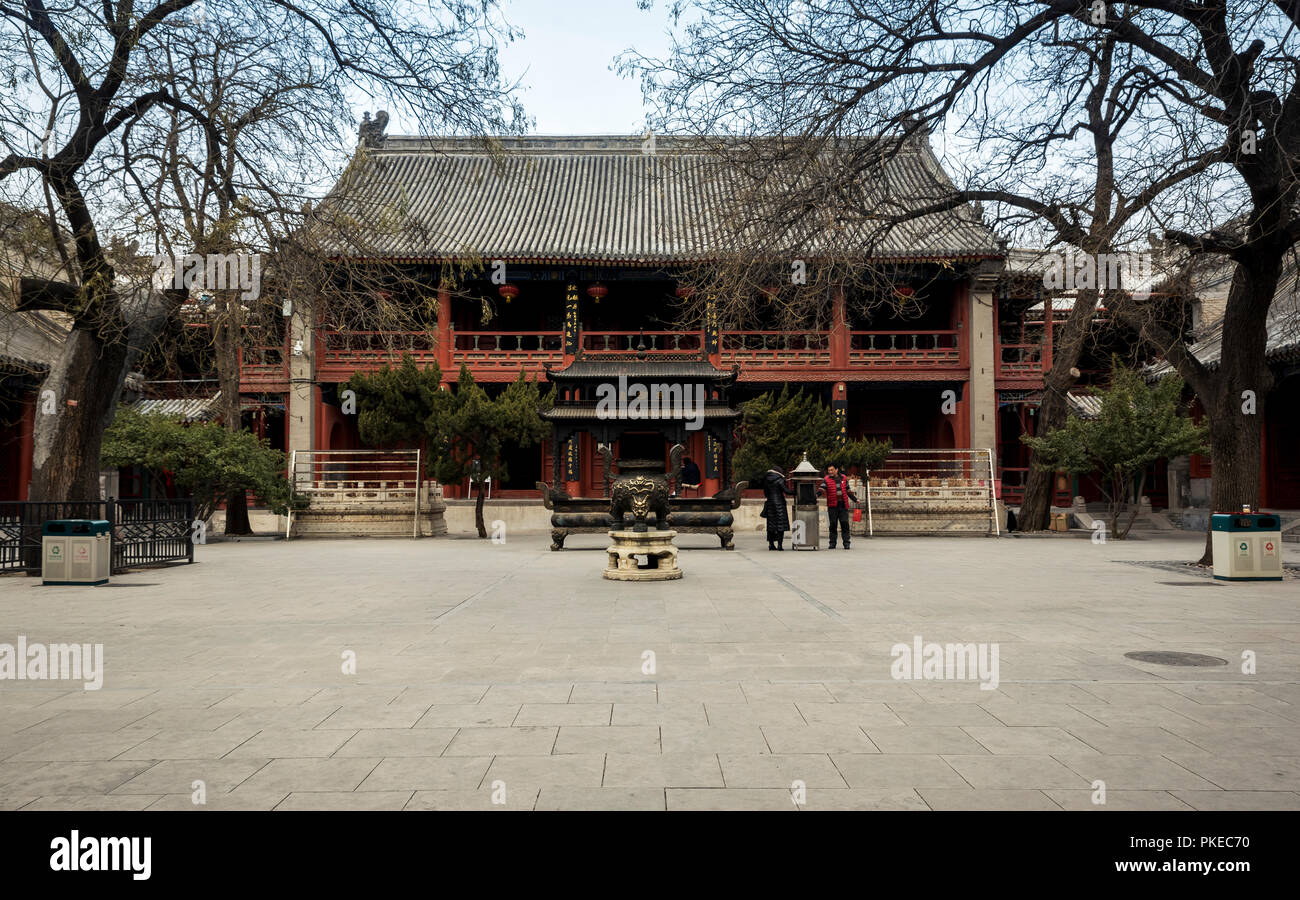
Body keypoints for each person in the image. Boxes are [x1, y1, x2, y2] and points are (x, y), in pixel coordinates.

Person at [820, 463, 858, 549]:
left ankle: (846, 543)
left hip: (843, 505)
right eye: (829, 470)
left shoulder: (844, 478)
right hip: (832, 505)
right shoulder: (826, 479)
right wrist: (816, 496)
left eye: (832, 470)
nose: (830, 472)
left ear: (836, 470)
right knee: (833, 525)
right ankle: (832, 543)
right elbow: (822, 489)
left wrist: (855, 499)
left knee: (845, 524)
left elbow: (848, 491)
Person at [760, 467, 793, 550]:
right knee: (780, 526)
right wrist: (796, 491)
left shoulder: (766, 479)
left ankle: (771, 545)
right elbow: (787, 491)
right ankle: (780, 545)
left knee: (771, 526)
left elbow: (766, 493)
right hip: (780, 504)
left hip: (770, 504)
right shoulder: (780, 479)